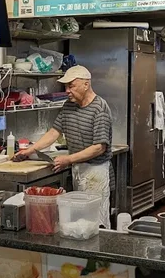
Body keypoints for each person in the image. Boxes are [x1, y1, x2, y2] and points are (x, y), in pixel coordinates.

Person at [15, 65, 113, 228]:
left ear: (86, 84)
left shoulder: (99, 108)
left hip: (96, 172)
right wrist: (30, 150)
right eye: (66, 86)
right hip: (78, 169)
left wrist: (68, 159)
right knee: (80, 220)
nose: (67, 90)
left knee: (95, 221)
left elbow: (99, 147)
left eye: (71, 86)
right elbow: (54, 132)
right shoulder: (69, 105)